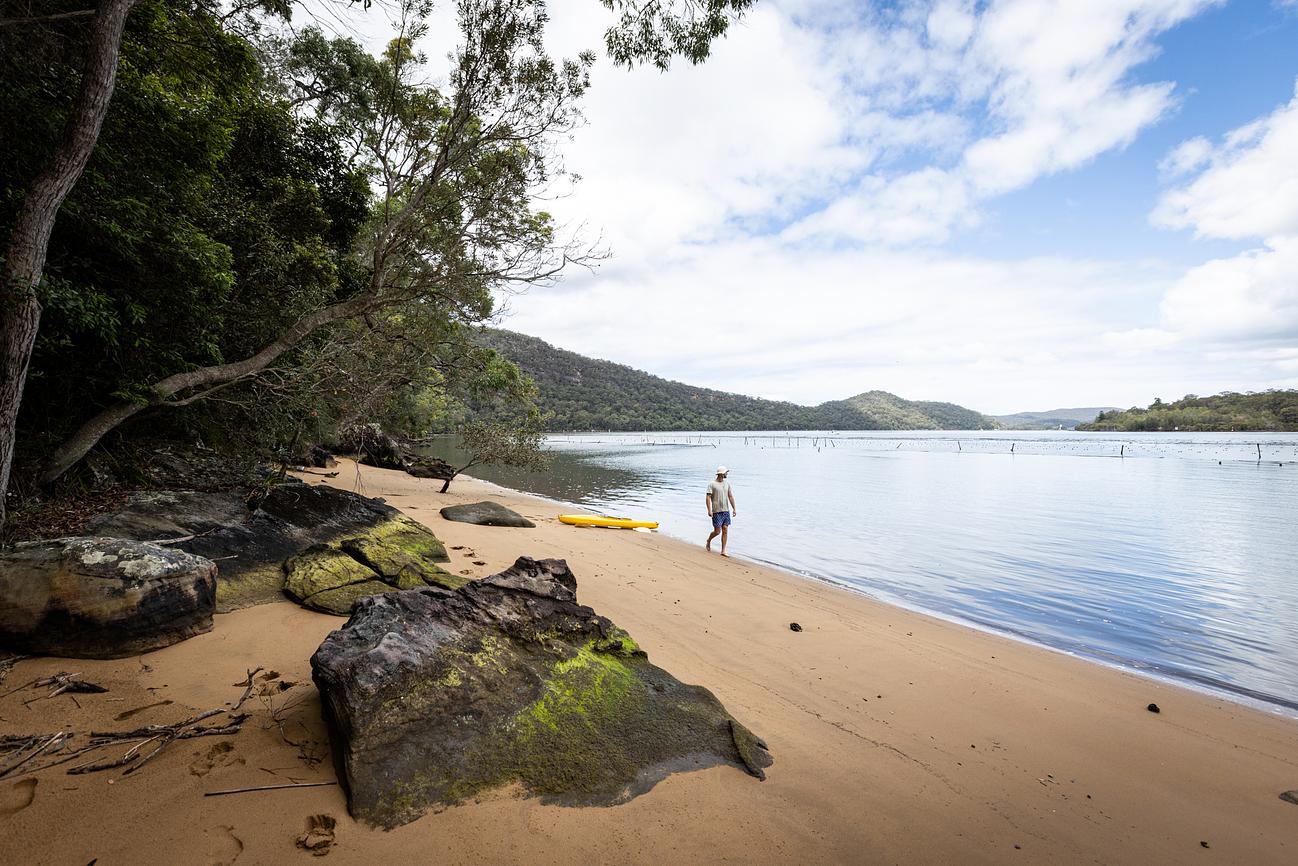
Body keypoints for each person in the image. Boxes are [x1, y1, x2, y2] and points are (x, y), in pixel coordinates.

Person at [705, 466, 737, 556]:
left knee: (725, 529)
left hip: (726, 510)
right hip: (716, 511)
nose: (727, 474)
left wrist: (734, 508)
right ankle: (709, 540)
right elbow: (708, 498)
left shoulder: (727, 483)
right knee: (717, 531)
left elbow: (730, 496)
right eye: (726, 472)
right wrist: (709, 510)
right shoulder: (712, 484)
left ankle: (723, 550)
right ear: (722, 474)